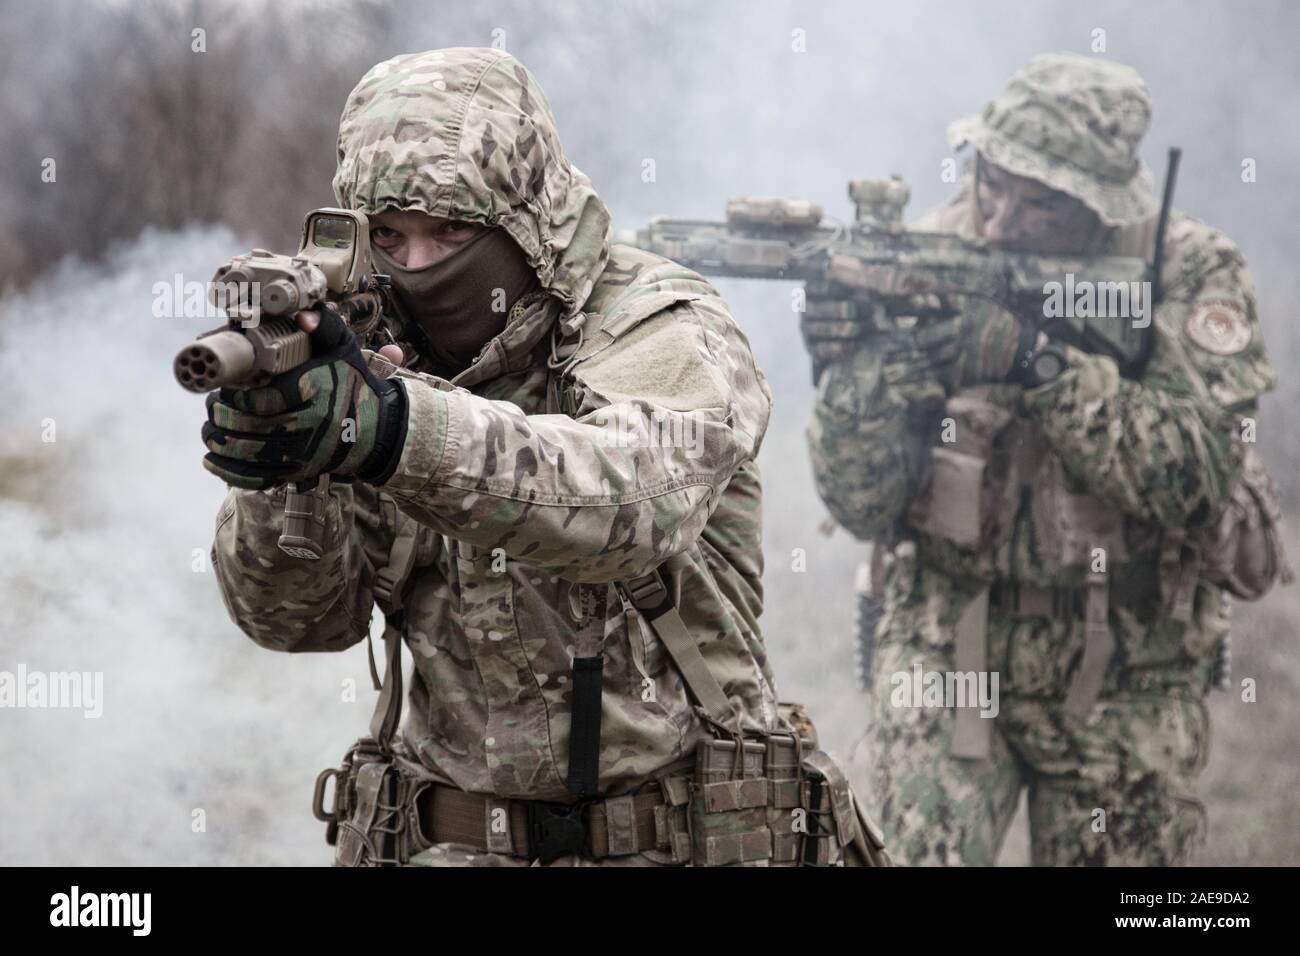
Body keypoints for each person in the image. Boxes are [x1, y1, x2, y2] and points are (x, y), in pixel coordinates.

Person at [204, 47, 885, 866]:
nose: (418, 264)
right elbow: (301, 621)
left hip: (681, 838)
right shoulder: (375, 350)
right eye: (389, 235)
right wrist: (287, 469)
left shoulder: (655, 321)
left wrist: (397, 433)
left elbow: (629, 505)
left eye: (450, 228)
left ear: (526, 218)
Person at [802, 52, 1288, 865]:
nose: (996, 224)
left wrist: (1040, 362)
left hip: (1131, 669)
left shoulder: (1189, 272)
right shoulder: (927, 257)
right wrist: (862, 376)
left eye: (1039, 208)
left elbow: (1191, 477)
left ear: (1101, 208)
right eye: (990, 184)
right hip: (946, 643)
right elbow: (859, 500)